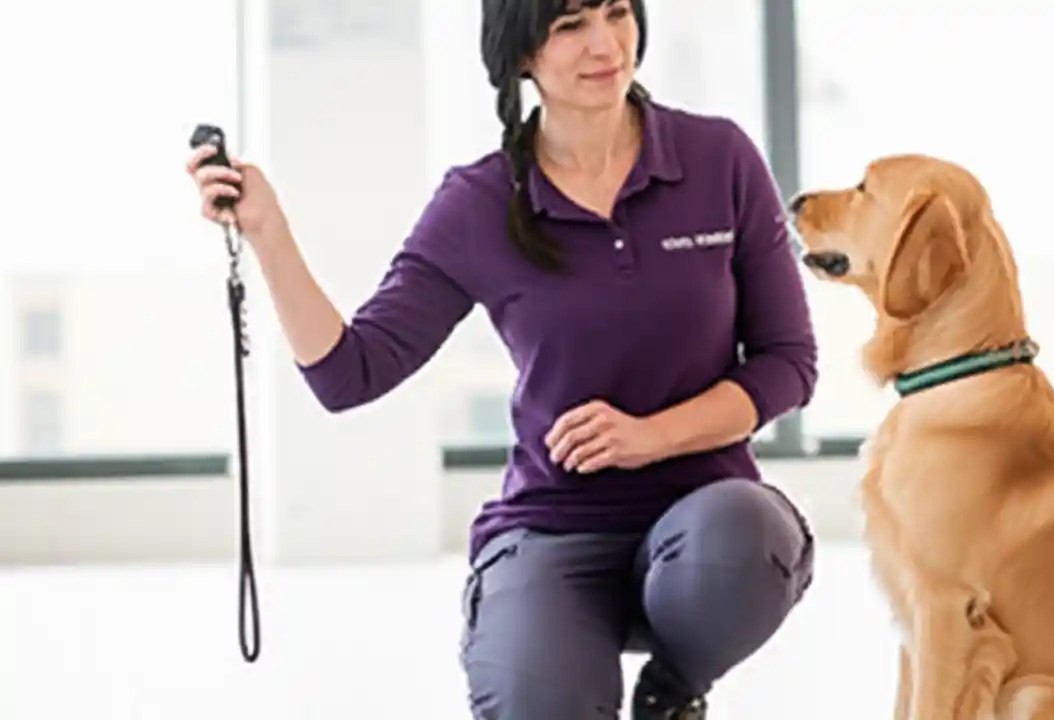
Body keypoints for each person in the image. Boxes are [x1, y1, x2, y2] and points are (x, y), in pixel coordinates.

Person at [187, 0, 818, 716]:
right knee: (535, 701)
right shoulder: (480, 202)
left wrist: (651, 437)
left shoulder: (718, 159)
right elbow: (347, 374)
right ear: (521, 53)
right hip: (552, 527)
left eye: (617, 11)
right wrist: (268, 232)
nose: (605, 43)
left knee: (746, 536)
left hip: (704, 523)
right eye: (569, 24)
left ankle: (673, 692)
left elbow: (787, 362)